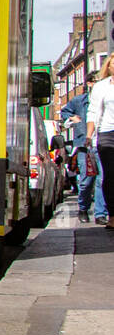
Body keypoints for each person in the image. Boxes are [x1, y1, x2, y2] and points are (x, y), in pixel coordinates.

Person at [62, 65, 108, 224]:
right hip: (84, 145)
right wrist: (72, 118)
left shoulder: (107, 97)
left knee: (103, 179)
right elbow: (64, 112)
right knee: (87, 180)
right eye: (97, 81)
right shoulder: (78, 101)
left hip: (102, 143)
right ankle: (83, 208)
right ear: (89, 84)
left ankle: (100, 213)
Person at [87, 55, 114, 229]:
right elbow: (93, 112)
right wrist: (89, 136)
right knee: (110, 176)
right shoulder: (101, 87)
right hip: (107, 134)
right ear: (109, 67)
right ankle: (112, 215)